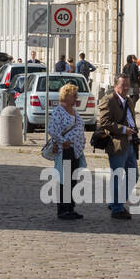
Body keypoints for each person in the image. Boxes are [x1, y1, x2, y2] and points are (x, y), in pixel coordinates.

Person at [97, 73, 140, 219]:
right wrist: (123, 129)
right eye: (123, 86)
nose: (126, 88)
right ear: (116, 85)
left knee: (133, 175)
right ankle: (117, 209)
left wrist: (133, 131)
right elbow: (104, 122)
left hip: (130, 144)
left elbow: (131, 119)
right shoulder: (108, 100)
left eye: (128, 85)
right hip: (116, 144)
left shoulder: (128, 101)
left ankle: (117, 202)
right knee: (117, 175)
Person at [47, 82, 87, 221]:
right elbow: (52, 129)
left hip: (75, 151)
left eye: (76, 95)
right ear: (66, 96)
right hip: (66, 150)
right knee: (65, 181)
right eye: (74, 95)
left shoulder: (74, 111)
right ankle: (63, 210)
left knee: (73, 180)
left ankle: (70, 208)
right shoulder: (59, 111)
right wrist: (64, 141)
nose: (76, 98)